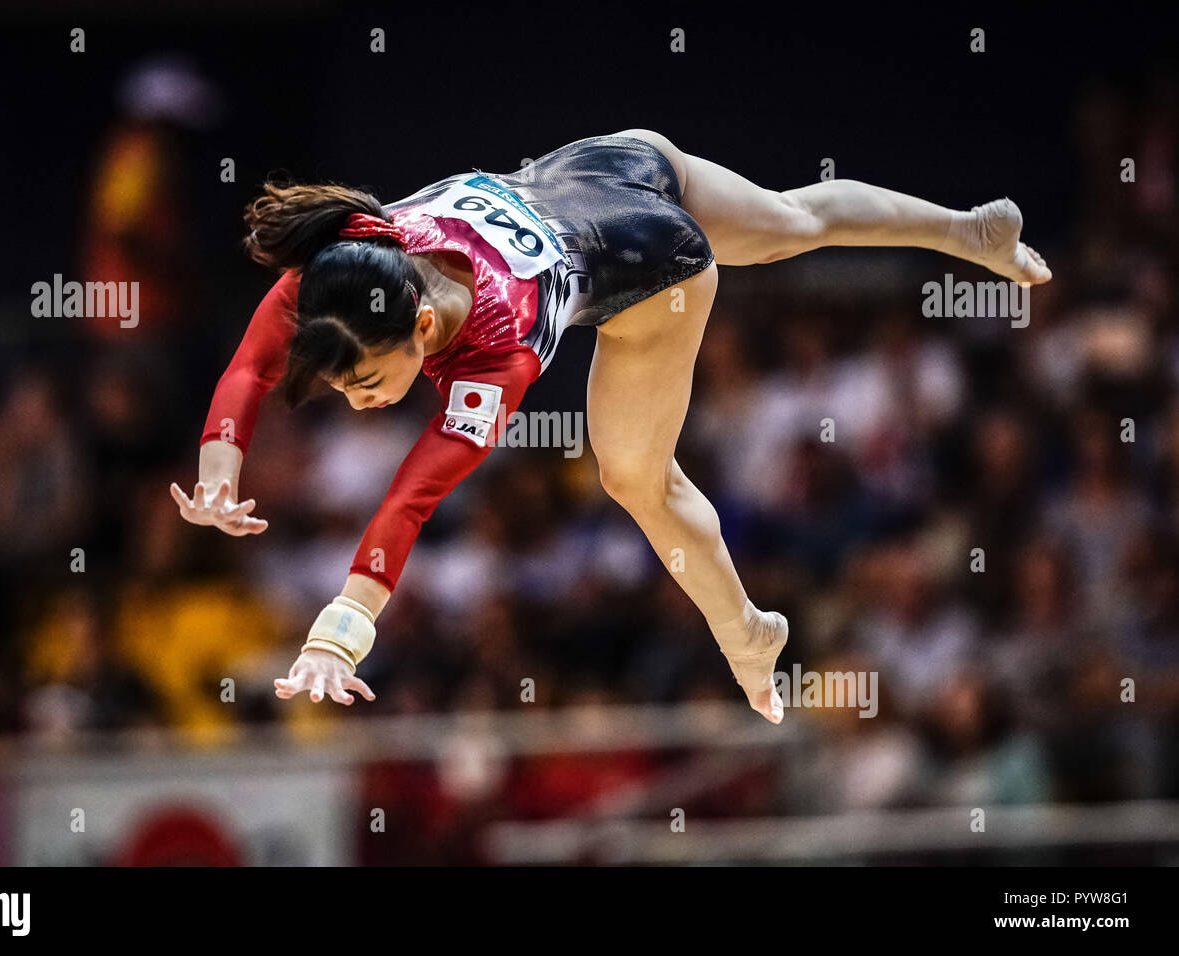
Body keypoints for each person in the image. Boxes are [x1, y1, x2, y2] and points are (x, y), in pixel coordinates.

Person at [170, 129, 1051, 723]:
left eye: (365, 382)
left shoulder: (496, 353)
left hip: (651, 269)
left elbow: (410, 503)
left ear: (426, 332)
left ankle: (747, 633)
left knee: (636, 479)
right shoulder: (355, 252)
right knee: (791, 219)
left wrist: (336, 633)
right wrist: (219, 470)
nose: (357, 403)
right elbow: (250, 366)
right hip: (611, 159)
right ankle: (969, 234)